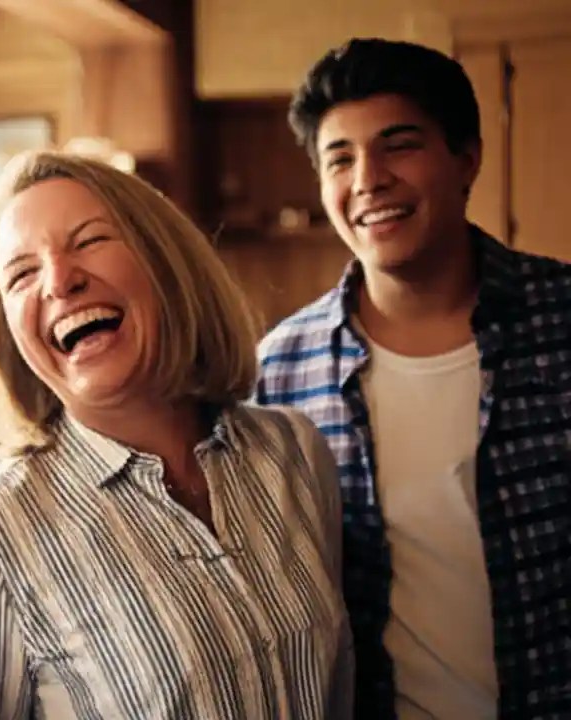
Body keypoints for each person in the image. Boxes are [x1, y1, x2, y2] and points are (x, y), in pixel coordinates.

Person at [0, 150, 352, 719]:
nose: (60, 280)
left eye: (89, 240)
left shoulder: (292, 451)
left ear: (166, 262)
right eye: (21, 274)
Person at [257, 38, 571, 720]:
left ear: (467, 158)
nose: (368, 178)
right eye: (339, 158)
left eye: (398, 145)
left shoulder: (560, 319)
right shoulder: (281, 370)